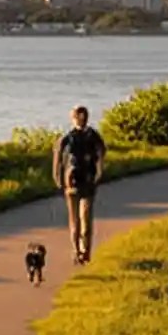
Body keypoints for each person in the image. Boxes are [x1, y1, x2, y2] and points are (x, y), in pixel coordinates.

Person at [52, 106, 107, 265]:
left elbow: (57, 158)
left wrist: (57, 178)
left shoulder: (67, 138)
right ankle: (83, 251)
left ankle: (78, 251)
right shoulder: (92, 136)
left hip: (73, 182)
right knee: (84, 219)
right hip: (85, 182)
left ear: (74, 118)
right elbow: (101, 154)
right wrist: (99, 172)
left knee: (75, 220)